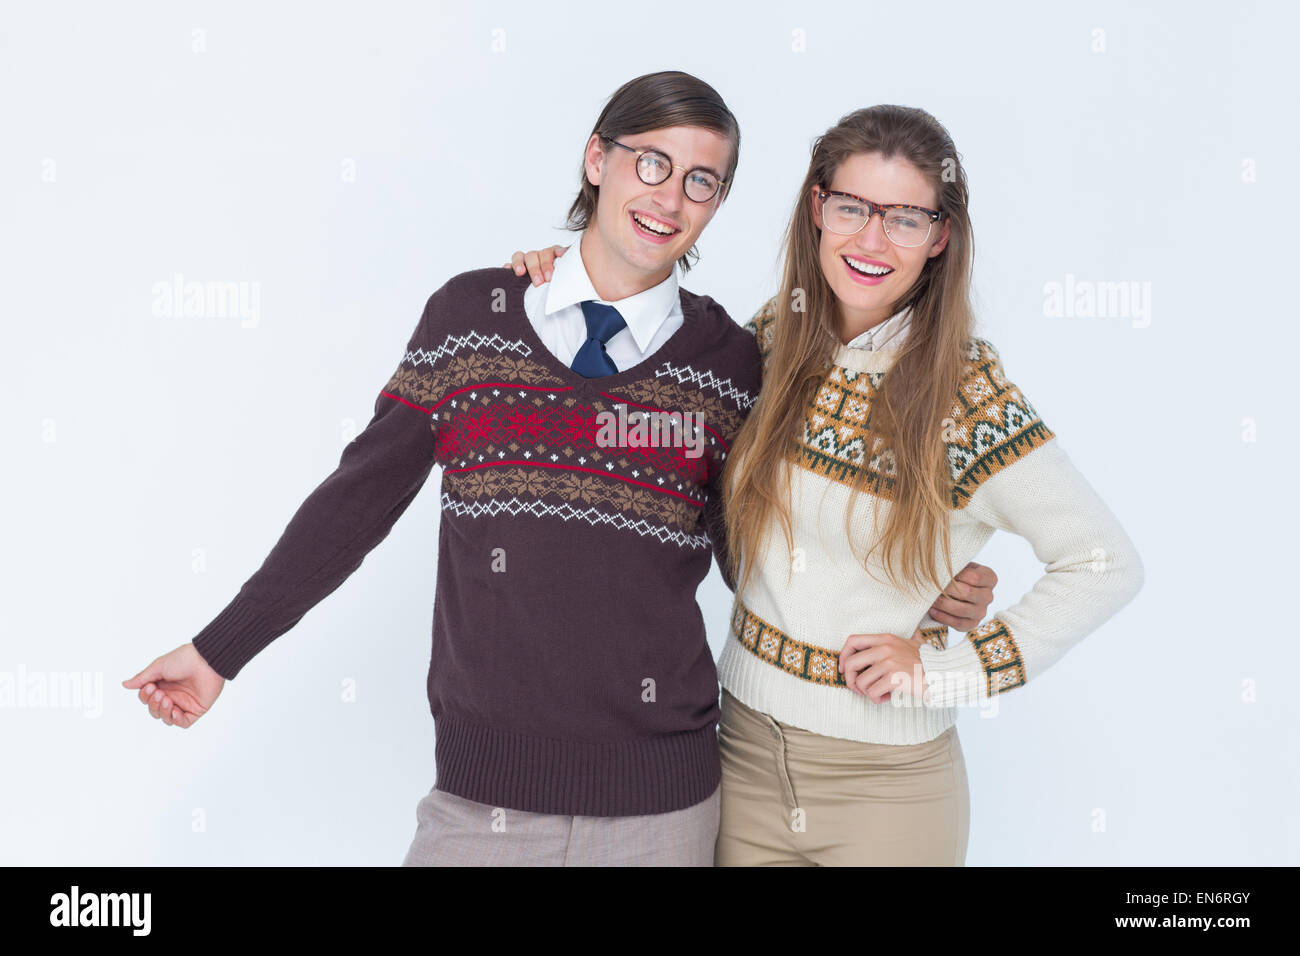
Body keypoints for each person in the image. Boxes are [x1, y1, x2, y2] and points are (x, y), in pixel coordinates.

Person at [122, 71, 993, 867]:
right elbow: (355, 505)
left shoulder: (729, 361)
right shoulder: (474, 317)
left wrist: (916, 585)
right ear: (596, 159)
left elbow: (762, 552)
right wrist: (218, 650)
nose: (671, 196)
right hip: (480, 806)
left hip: (668, 809)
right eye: (652, 162)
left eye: (703, 181)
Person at [508, 103, 1143, 866]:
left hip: (888, 794)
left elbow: (1105, 563)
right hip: (740, 754)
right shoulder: (775, 337)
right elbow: (651, 432)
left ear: (939, 236)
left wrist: (946, 673)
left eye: (906, 218)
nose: (872, 240)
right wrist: (564, 281)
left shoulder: (965, 395)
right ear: (818, 208)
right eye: (852, 208)